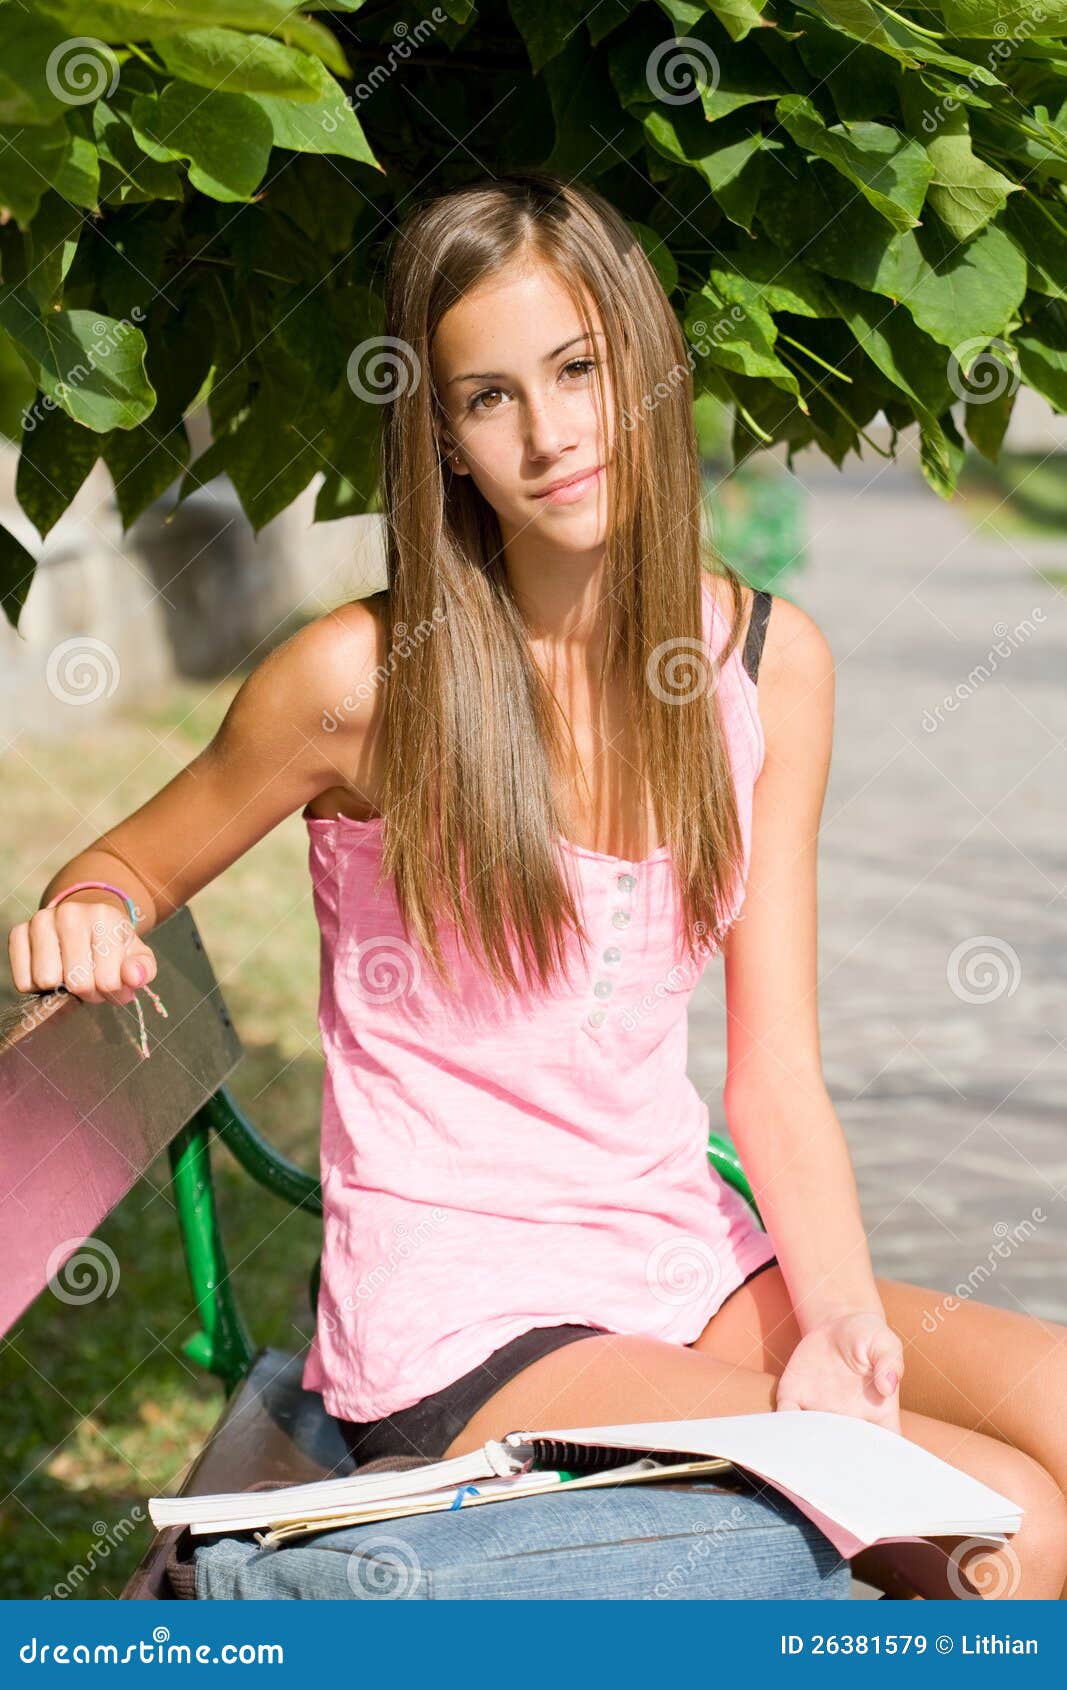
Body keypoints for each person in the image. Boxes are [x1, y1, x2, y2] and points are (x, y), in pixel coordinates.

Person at [9, 171, 1067, 1601]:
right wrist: (94, 907)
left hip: (678, 1247)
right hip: (465, 1317)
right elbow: (127, 860)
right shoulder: (362, 682)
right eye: (489, 396)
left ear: (643, 361)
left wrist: (837, 1316)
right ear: (439, 434)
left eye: (578, 368)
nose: (552, 432)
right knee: (1006, 1526)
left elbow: (777, 1078)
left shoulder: (767, 666)